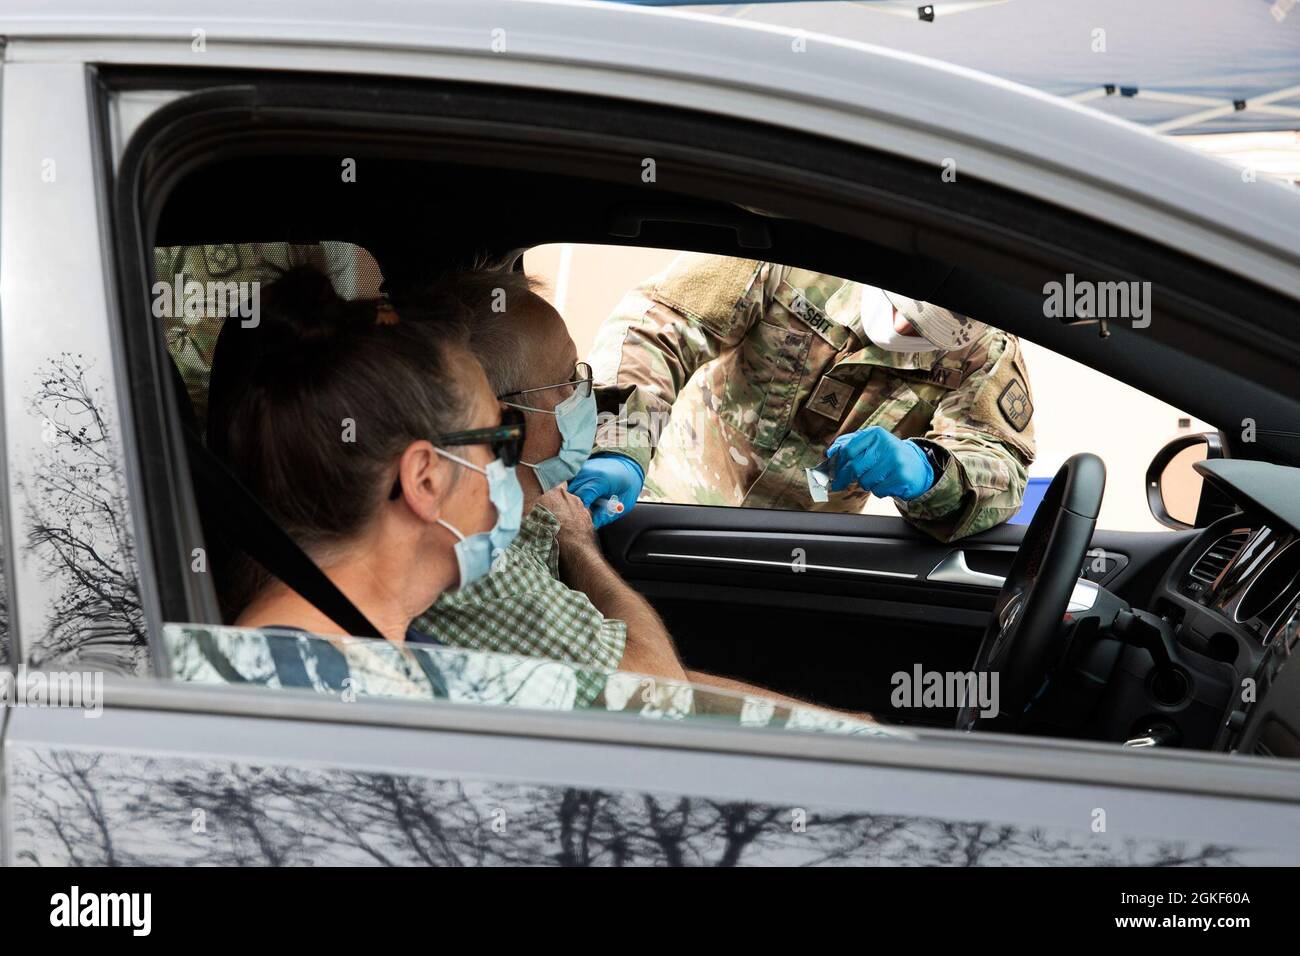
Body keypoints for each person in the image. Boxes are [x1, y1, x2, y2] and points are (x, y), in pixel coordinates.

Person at [399, 266, 865, 716]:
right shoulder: (477, 554)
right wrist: (583, 541)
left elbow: (641, 678)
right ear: (502, 421)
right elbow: (658, 690)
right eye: (567, 382)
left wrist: (935, 471)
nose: (586, 393)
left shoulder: (527, 499)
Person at [573, 254, 1036, 542]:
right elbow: (656, 330)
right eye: (897, 311)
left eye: (922, 336)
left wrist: (930, 470)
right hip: (660, 512)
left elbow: (1001, 468)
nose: (898, 330)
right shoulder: (796, 253)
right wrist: (619, 446)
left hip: (803, 548)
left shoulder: (986, 352)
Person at [207, 267, 525, 648]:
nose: (509, 465)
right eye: (501, 437)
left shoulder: (378, 651)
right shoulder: (282, 681)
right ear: (426, 478)